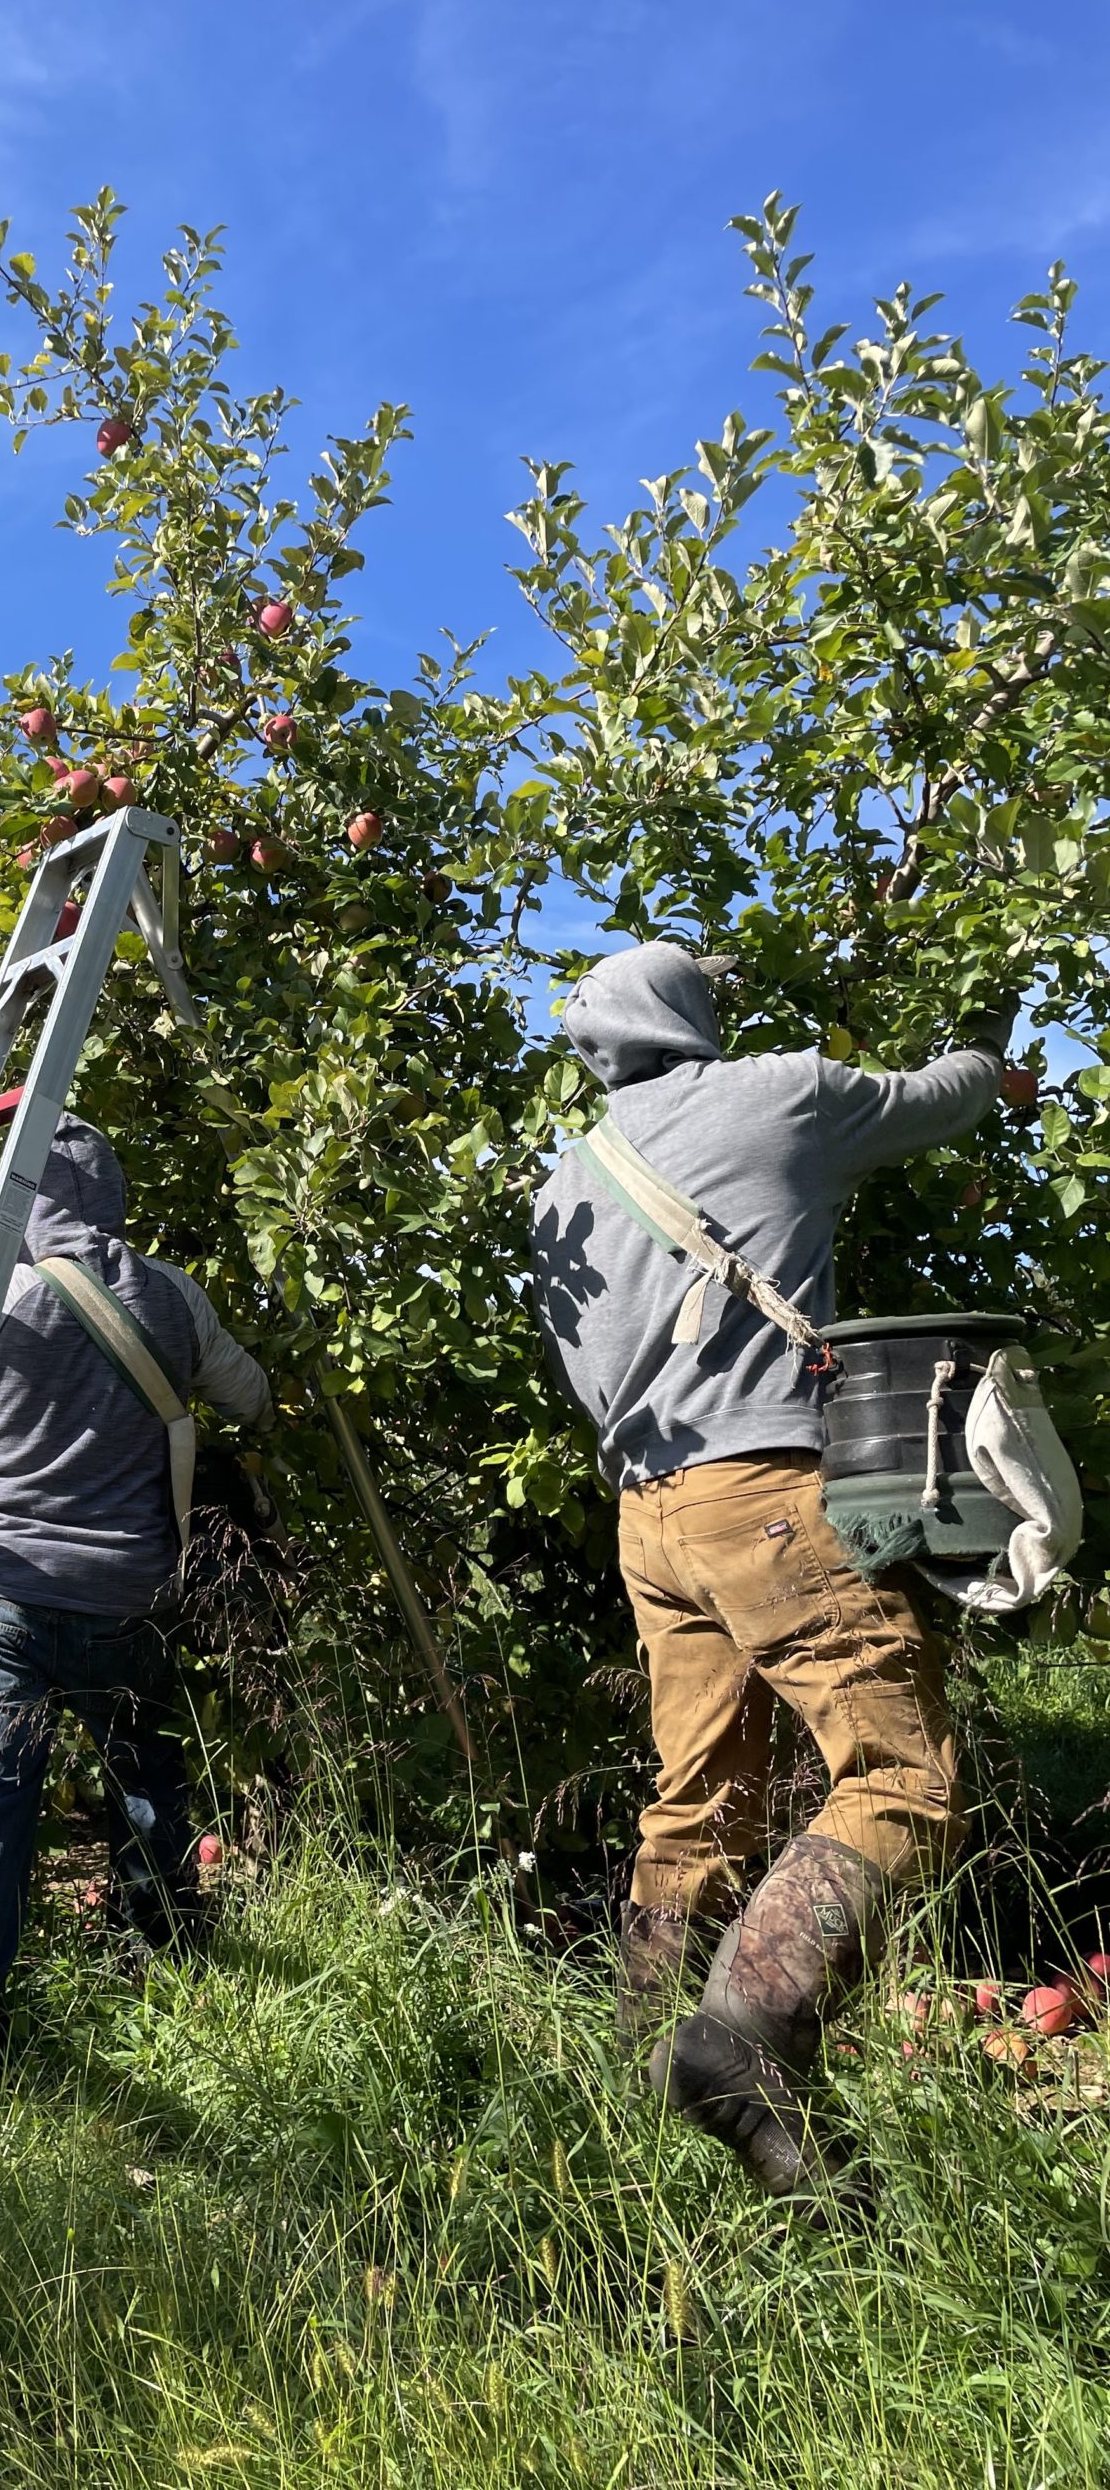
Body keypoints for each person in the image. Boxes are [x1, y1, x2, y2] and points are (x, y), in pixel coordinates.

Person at [530, 941, 1012, 2203]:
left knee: (701, 1796)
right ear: (691, 1015)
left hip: (648, 1512)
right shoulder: (775, 1092)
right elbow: (936, 1098)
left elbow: (580, 1369)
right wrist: (990, 1057)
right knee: (903, 1776)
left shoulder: (564, 1182)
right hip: (769, 1500)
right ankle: (744, 2034)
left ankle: (640, 2068)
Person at [0, 1113, 274, 2081]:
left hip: (8, 1595)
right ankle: (170, 1979)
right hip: (128, 1598)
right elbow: (251, 1396)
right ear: (113, 1194)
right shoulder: (172, 1296)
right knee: (146, 1789)